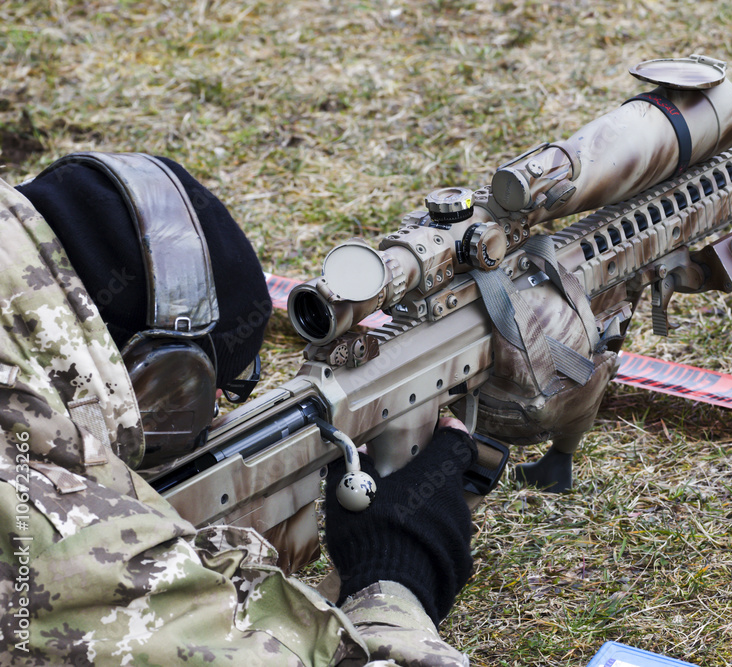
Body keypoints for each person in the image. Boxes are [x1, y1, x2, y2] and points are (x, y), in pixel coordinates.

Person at [0, 152, 476, 665]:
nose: (219, 414)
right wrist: (395, 580)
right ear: (163, 381)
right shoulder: (47, 530)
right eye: (218, 391)